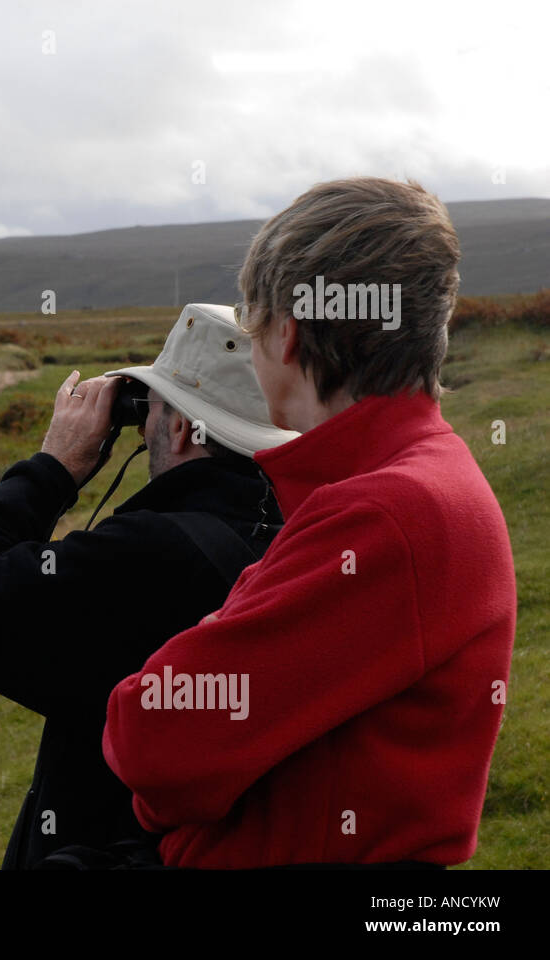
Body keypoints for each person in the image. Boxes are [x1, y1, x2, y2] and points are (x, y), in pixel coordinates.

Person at [102, 177, 518, 868]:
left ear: (287, 337)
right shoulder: (425, 480)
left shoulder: (381, 514)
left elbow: (151, 741)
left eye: (253, 328)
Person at [0, 303, 298, 869]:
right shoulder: (297, 539)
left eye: (153, 409)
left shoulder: (151, 555)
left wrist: (53, 466)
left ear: (183, 427)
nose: (143, 426)